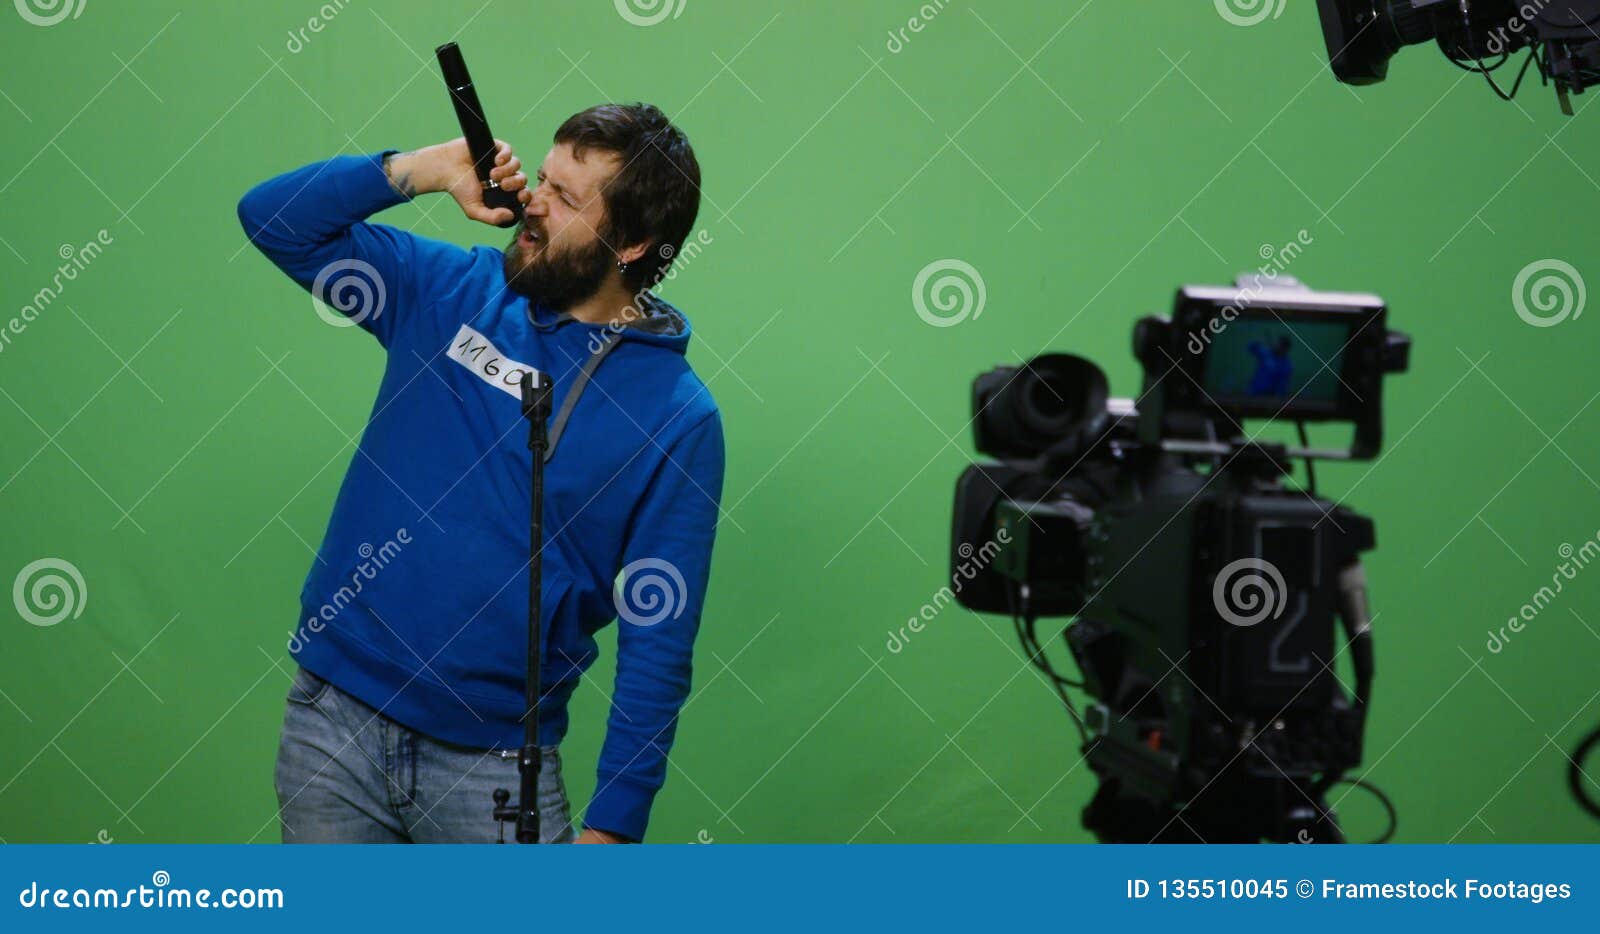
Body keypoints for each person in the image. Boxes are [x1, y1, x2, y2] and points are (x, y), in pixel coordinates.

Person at [237, 103, 723, 844]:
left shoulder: (677, 417)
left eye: (565, 198)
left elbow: (660, 633)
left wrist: (616, 825)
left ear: (631, 244)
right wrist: (421, 171)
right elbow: (274, 220)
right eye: (545, 179)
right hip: (330, 725)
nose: (533, 200)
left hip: (495, 767)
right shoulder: (449, 291)